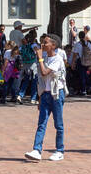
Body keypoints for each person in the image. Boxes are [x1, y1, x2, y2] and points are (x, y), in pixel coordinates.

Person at [25, 33, 66, 162]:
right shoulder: (45, 58)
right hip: (46, 94)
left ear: (53, 45)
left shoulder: (57, 59)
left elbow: (44, 72)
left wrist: (40, 59)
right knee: (41, 123)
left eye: (46, 43)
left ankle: (60, 150)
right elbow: (41, 80)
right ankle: (37, 150)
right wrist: (40, 97)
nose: (42, 45)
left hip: (56, 94)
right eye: (42, 42)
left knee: (58, 124)